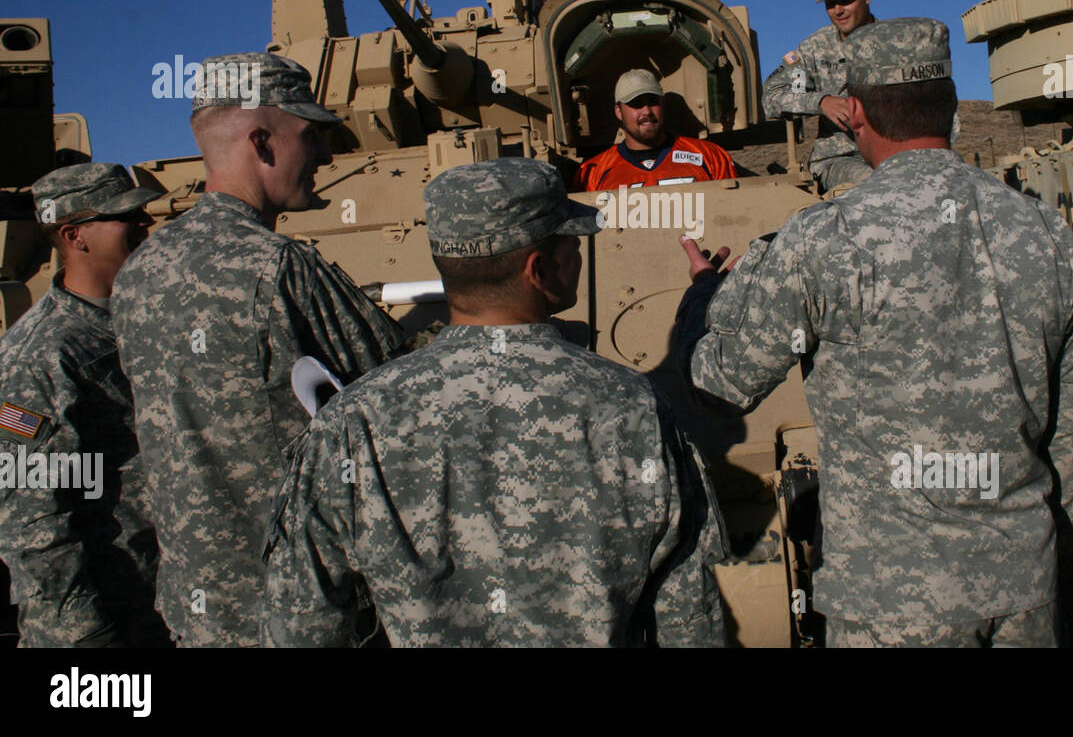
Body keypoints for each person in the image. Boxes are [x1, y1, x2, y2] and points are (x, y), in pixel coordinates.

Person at [675, 18, 1073, 646]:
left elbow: (720, 384)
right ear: (952, 107)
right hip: (1024, 587)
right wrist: (1044, 556)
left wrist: (702, 299)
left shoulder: (824, 236)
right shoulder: (1047, 233)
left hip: (889, 602)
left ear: (853, 113)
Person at [263, 158, 727, 647]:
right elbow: (689, 619)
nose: (580, 254)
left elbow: (299, 625)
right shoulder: (634, 407)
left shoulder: (352, 422)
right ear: (539, 269)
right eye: (572, 242)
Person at [112, 52, 406, 647]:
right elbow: (396, 399)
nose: (325, 156)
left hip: (198, 611)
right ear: (262, 142)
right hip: (299, 613)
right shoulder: (282, 269)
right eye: (311, 136)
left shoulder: (139, 272)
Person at [0, 163, 170, 647]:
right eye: (125, 217)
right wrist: (84, 635)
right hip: (112, 614)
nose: (144, 225)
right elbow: (32, 519)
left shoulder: (147, 321)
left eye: (141, 214)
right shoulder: (39, 356)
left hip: (168, 596)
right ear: (74, 235)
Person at [761, 0, 877, 192]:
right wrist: (821, 101)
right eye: (830, 4)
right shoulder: (813, 50)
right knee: (875, 182)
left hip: (895, 153)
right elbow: (772, 97)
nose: (838, 11)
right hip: (840, 159)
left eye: (846, 0)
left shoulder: (896, 45)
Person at [572, 69, 736, 192]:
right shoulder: (592, 173)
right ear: (618, 111)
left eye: (653, 102)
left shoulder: (710, 157)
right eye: (636, 104)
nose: (647, 111)